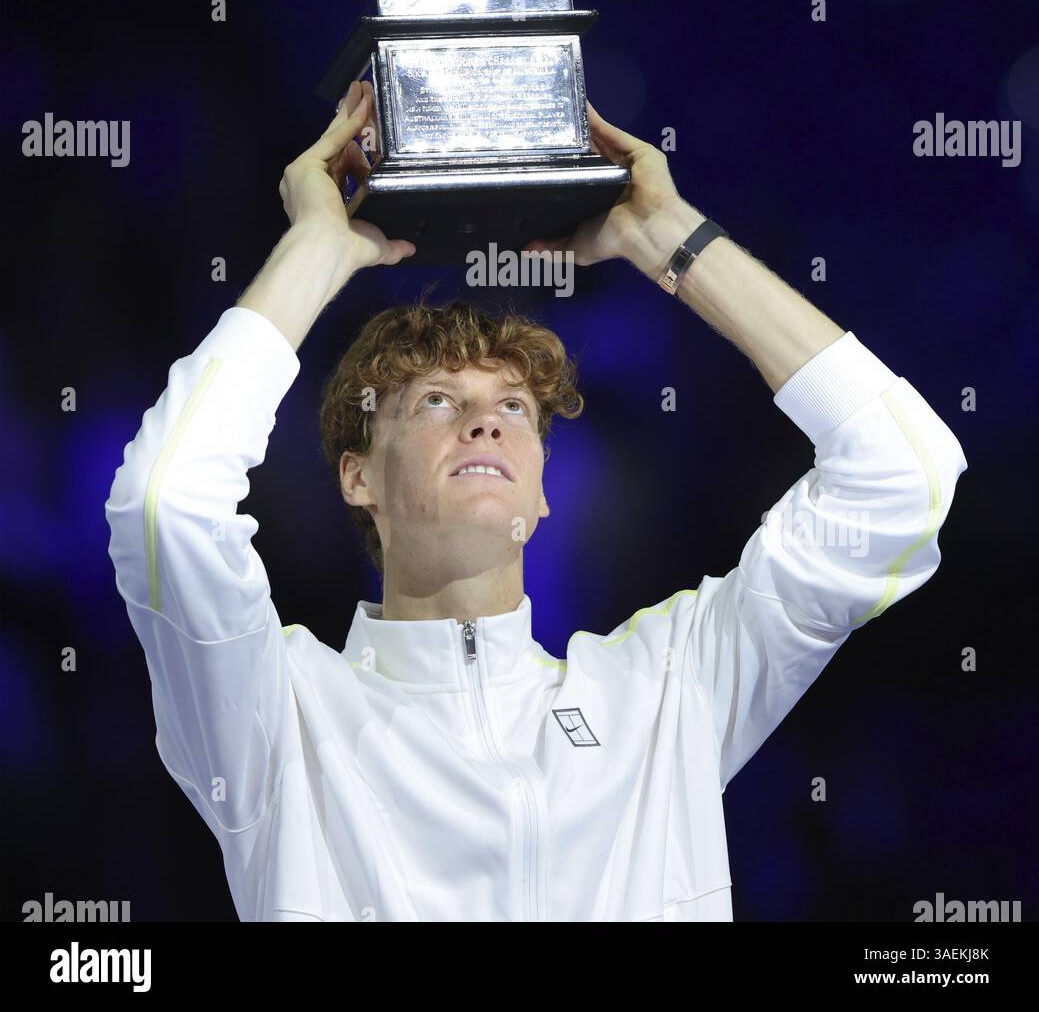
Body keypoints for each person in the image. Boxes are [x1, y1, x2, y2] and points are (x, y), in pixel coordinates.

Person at [105, 78, 967, 922]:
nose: (484, 424)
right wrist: (316, 252)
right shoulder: (277, 716)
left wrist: (664, 234)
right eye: (436, 401)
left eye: (514, 408)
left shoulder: (667, 689)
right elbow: (165, 503)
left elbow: (901, 470)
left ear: (546, 490)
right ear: (357, 476)